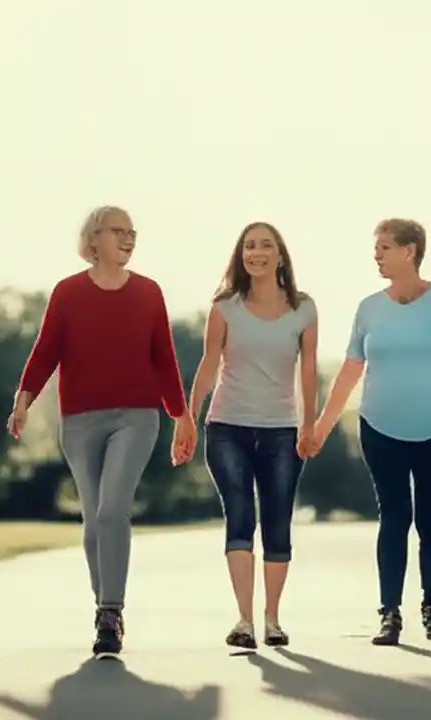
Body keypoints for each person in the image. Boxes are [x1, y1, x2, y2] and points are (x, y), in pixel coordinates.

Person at [7, 205, 190, 659]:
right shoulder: (68, 293)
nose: (128, 239)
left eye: (133, 232)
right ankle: (102, 606)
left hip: (137, 416)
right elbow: (46, 349)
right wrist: (24, 398)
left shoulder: (149, 293)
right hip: (81, 420)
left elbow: (163, 358)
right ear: (94, 239)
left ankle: (111, 612)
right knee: (93, 520)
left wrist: (180, 415)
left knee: (112, 511)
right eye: (118, 231)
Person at [313, 218, 431, 646]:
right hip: (379, 428)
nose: (376, 255)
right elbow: (351, 370)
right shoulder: (368, 308)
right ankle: (389, 613)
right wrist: (321, 425)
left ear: (410, 251)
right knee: (394, 517)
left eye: (384, 247)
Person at [172, 221, 318, 650]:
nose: (256, 252)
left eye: (265, 245)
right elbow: (208, 364)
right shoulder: (224, 307)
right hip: (227, 428)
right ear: (241, 256)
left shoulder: (304, 308)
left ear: (280, 255)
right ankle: (244, 620)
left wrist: (310, 423)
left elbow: (308, 370)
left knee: (278, 523)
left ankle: (272, 619)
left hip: (281, 431)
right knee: (239, 518)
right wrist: (188, 415)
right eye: (249, 246)